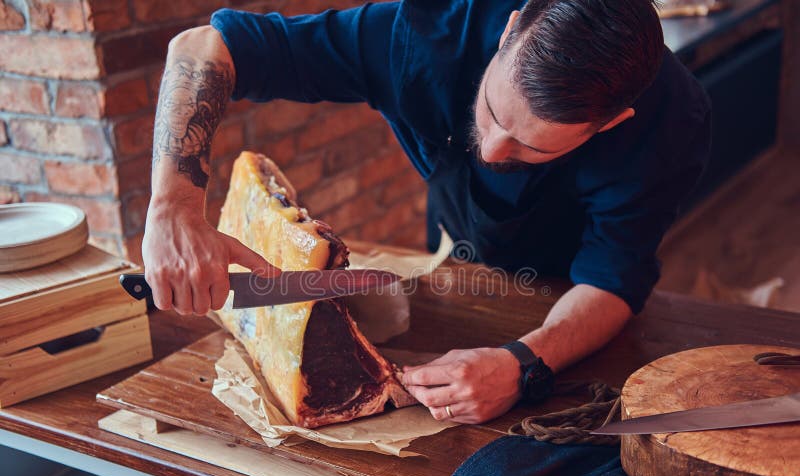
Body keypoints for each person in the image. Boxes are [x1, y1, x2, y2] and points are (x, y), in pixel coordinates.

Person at [142, 0, 711, 424]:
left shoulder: (672, 122)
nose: (491, 151)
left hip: (571, 304)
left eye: (533, 147)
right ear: (509, 32)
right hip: (454, 263)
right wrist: (174, 205)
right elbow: (202, 47)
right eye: (492, 111)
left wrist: (523, 364)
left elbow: (611, 280)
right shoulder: (423, 32)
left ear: (609, 125)